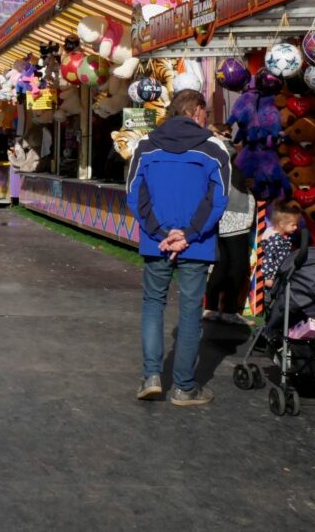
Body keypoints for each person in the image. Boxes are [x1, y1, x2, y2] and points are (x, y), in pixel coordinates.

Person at [126, 89, 229, 407]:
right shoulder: (214, 148)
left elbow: (133, 193)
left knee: (153, 305)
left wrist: (159, 231)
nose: (206, 120)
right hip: (195, 245)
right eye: (206, 113)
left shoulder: (145, 146)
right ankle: (184, 388)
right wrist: (189, 234)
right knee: (189, 313)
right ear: (197, 110)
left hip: (156, 242)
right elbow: (218, 198)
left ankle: (152, 376)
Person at [205, 123, 257, 326]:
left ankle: (215, 307)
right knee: (237, 263)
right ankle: (225, 309)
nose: (229, 137)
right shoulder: (217, 149)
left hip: (235, 211)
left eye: (229, 134)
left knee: (224, 262)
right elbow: (228, 151)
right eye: (224, 134)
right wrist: (220, 137)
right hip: (232, 213)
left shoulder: (225, 157)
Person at [259, 200, 305, 301]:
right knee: (268, 297)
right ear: (282, 224)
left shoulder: (283, 237)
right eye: (293, 225)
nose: (296, 227)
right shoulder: (275, 238)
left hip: (278, 274)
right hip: (271, 276)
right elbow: (268, 258)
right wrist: (267, 277)